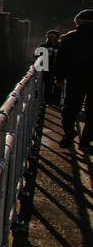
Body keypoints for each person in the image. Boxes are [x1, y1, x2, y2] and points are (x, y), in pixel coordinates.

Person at [55, 10, 93, 148]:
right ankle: (86, 140)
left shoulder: (70, 37)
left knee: (70, 107)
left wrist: (59, 78)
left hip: (75, 77)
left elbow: (61, 60)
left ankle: (69, 130)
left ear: (78, 22)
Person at [42, 30, 63, 106]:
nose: (50, 38)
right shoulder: (44, 46)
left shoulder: (61, 46)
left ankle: (56, 100)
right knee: (48, 85)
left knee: (58, 85)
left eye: (52, 36)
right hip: (47, 69)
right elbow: (36, 54)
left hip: (58, 68)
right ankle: (48, 100)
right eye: (48, 36)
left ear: (56, 37)